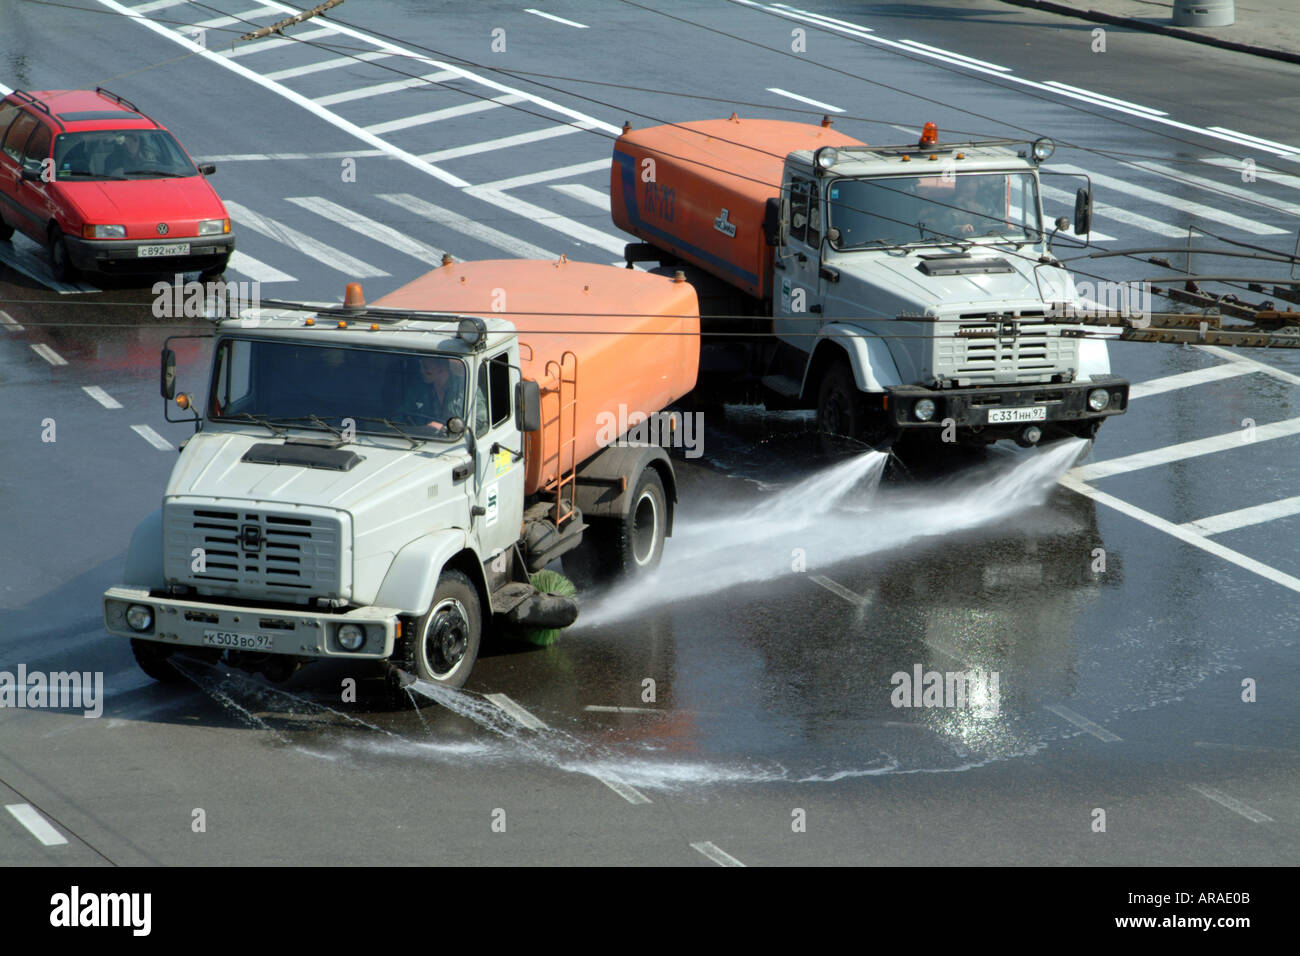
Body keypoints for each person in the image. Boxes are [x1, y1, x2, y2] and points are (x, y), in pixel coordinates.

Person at [401, 355, 466, 431]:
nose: (421, 370)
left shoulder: (463, 386)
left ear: (441, 369)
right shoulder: (418, 388)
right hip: (419, 438)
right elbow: (401, 414)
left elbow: (479, 420)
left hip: (456, 440)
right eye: (421, 366)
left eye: (426, 367)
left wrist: (446, 429)